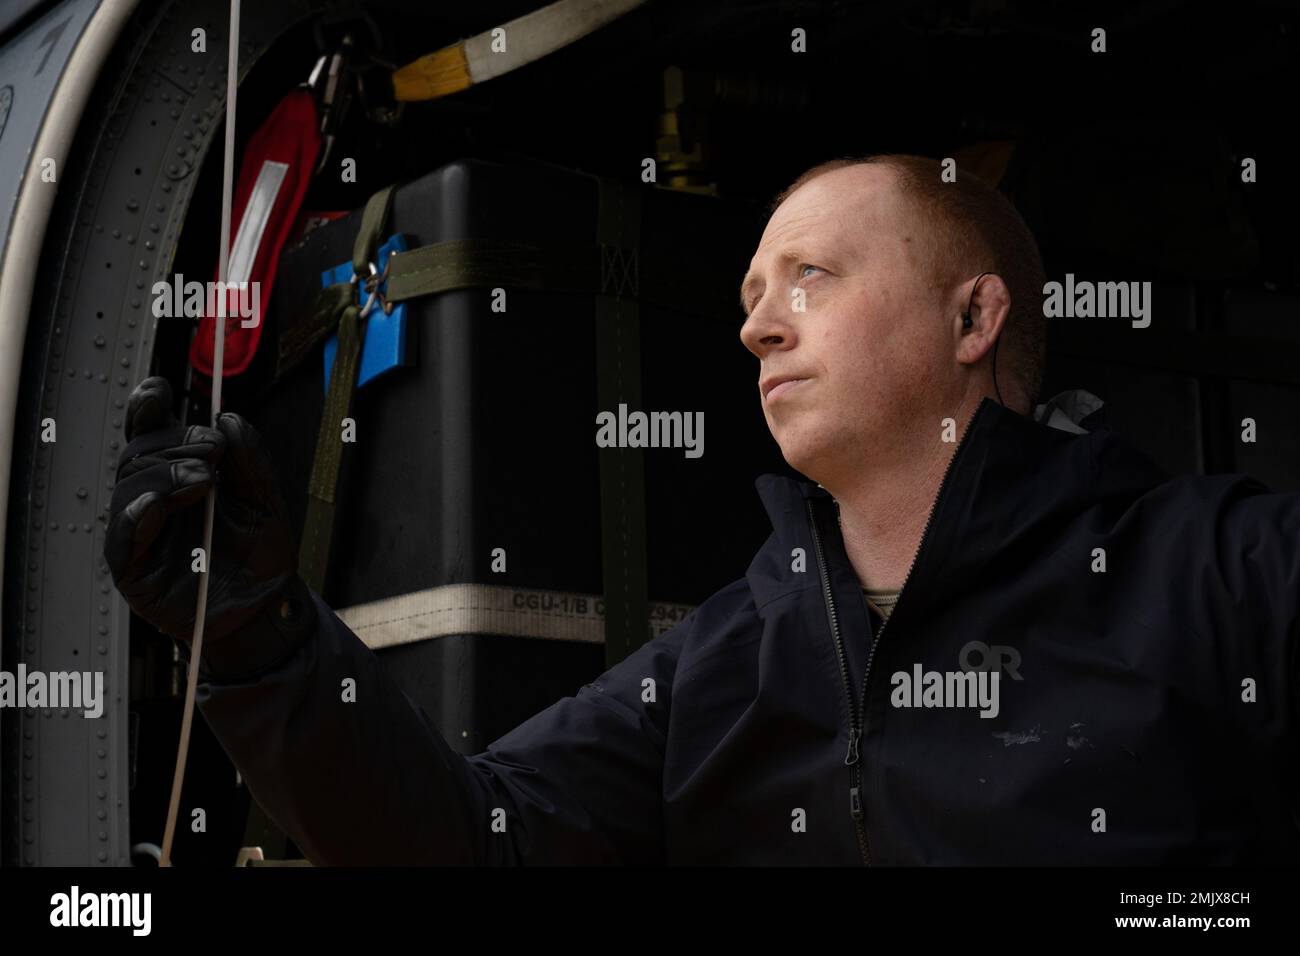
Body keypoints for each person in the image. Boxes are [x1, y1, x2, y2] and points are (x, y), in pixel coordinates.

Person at [105, 155, 1300, 864]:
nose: (756, 323)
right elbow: (477, 841)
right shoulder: (737, 645)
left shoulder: (1217, 569)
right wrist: (260, 634)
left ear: (972, 320)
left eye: (811, 278)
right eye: (749, 293)